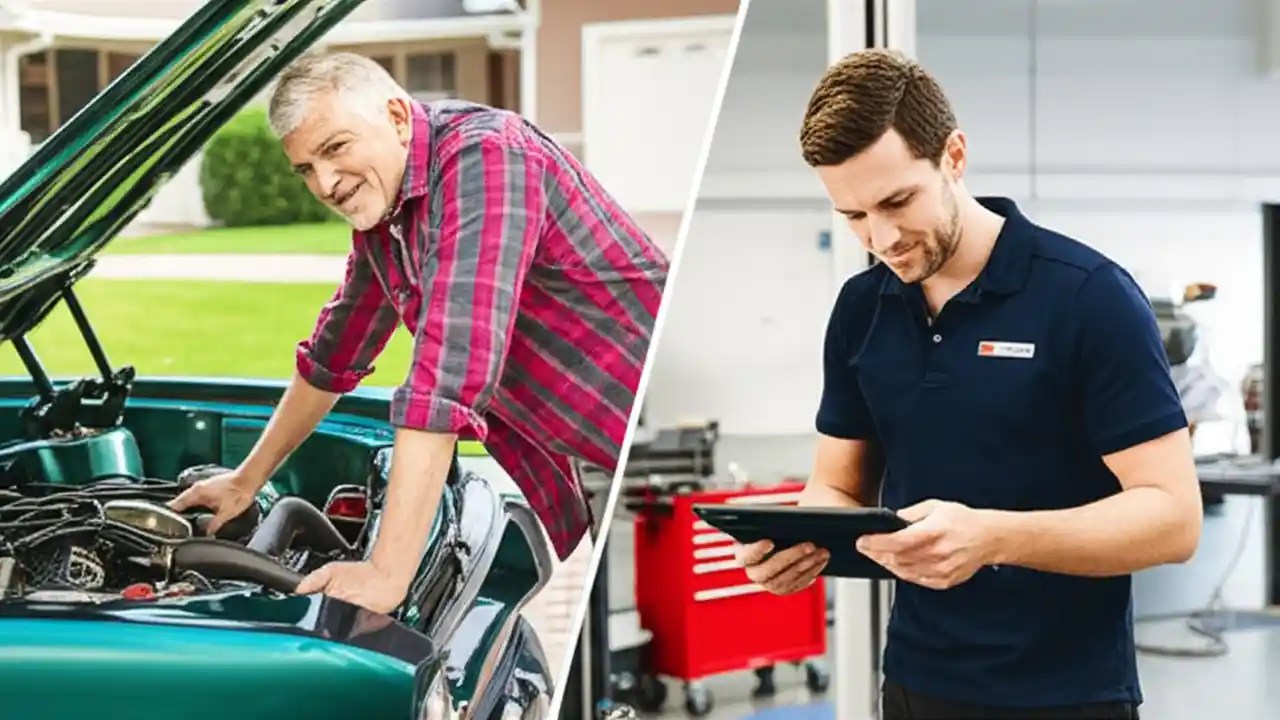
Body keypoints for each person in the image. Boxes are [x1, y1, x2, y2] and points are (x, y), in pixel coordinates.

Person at [737, 49, 1203, 719]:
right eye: (854, 216)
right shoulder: (861, 309)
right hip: (916, 684)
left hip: (1067, 697)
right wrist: (798, 544)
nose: (882, 238)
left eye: (897, 201)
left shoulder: (1088, 297)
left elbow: (1174, 518)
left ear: (953, 156)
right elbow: (837, 486)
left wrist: (993, 537)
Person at [169, 52, 667, 613]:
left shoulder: (490, 159)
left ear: (397, 119)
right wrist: (245, 482)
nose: (325, 184)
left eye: (336, 148)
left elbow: (450, 370)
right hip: (586, 448)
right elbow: (334, 353)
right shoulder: (389, 213)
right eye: (305, 169)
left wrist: (387, 573)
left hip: (644, 430)